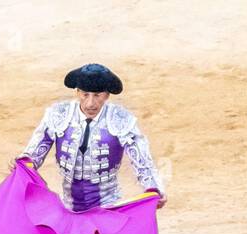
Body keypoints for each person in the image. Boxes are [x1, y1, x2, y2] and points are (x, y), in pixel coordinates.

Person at [18, 63, 166, 212]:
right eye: (85, 94)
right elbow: (34, 153)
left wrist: (153, 188)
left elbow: (142, 161)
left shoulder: (121, 120)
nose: (90, 103)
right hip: (68, 206)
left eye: (97, 95)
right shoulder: (58, 115)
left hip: (108, 205)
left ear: (107, 95)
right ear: (77, 92)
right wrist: (24, 165)